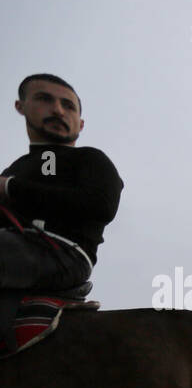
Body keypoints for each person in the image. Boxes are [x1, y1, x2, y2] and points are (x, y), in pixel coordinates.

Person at [0, 75, 123, 301]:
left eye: (68, 106)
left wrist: (10, 188)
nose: (58, 110)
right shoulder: (13, 168)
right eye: (44, 99)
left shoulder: (90, 158)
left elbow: (101, 205)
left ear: (81, 122)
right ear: (20, 107)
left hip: (64, 255)